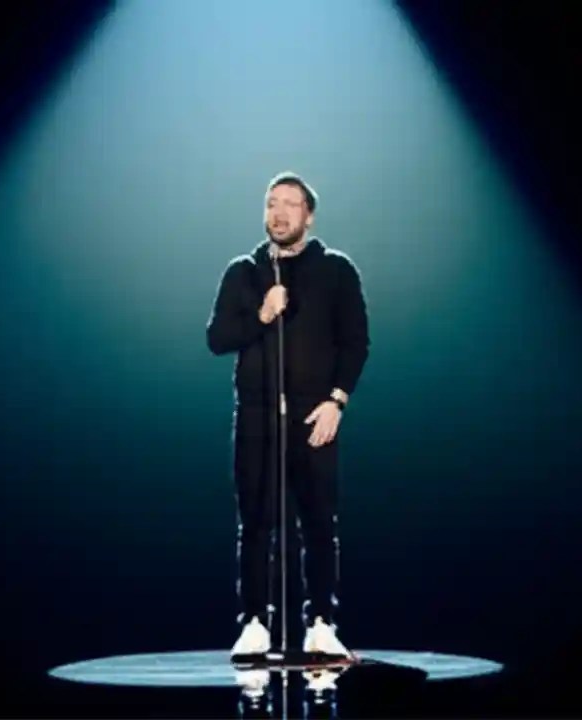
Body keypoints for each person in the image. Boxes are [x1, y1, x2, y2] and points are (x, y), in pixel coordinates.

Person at [206, 171, 370, 660]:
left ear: (309, 215)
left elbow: (356, 342)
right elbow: (217, 339)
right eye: (271, 203)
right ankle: (255, 621)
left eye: (290, 205)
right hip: (257, 415)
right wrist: (259, 315)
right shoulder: (245, 272)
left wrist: (336, 401)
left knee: (318, 521)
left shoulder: (336, 270)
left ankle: (321, 622)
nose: (278, 213)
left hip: (313, 413)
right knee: (256, 520)